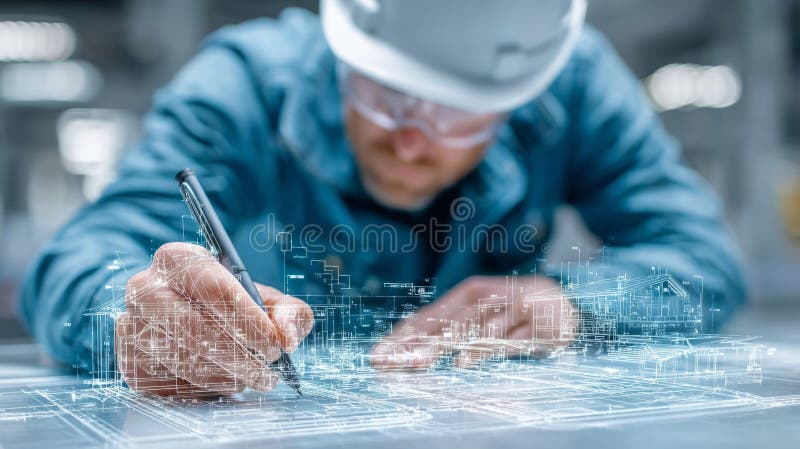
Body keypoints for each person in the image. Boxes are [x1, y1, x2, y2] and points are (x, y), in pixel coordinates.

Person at [19, 0, 745, 396]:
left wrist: (577, 305)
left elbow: (701, 258)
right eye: (388, 96)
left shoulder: (578, 86)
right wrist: (136, 313)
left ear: (517, 95)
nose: (410, 141)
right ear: (345, 51)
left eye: (455, 114)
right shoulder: (241, 86)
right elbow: (78, 259)